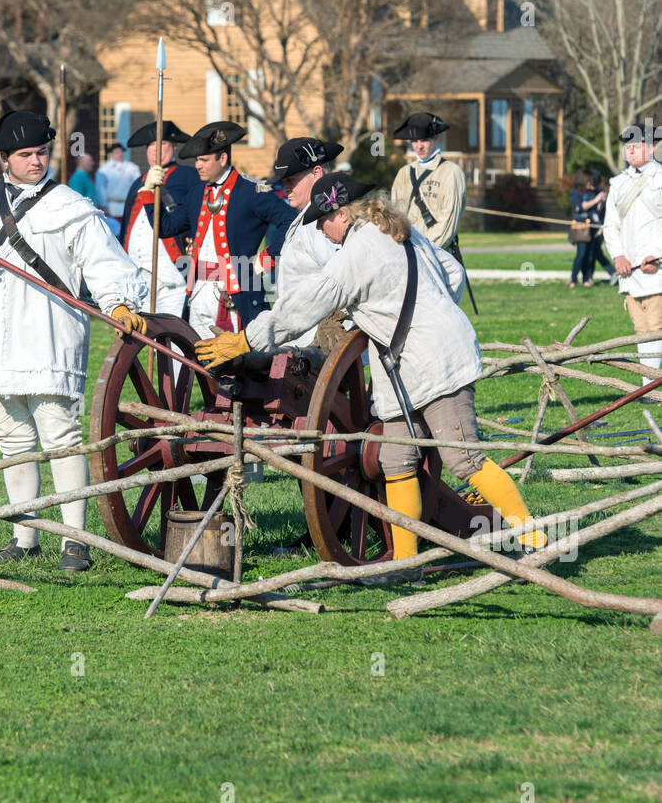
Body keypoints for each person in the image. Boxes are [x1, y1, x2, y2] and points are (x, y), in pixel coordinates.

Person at [195, 172, 547, 560]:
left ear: (341, 214)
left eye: (322, 221)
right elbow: (452, 272)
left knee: (463, 457)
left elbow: (308, 303)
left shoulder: (357, 252)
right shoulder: (395, 230)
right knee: (396, 460)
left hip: (435, 361)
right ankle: (405, 561)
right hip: (405, 368)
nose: (322, 230)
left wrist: (248, 339)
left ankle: (534, 540)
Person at [0, 109, 148, 571]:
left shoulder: (70, 205)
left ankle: (75, 540)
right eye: (26, 154)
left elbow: (106, 266)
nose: (37, 161)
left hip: (51, 335)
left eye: (42, 152)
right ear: (4, 159)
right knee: (11, 439)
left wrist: (117, 304)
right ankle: (24, 535)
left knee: (61, 438)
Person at [148, 120, 295, 339]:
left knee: (235, 366)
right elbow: (166, 227)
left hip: (237, 293)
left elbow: (290, 221)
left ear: (223, 158)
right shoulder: (197, 193)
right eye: (197, 160)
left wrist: (266, 259)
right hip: (198, 292)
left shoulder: (253, 190)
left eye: (204, 160)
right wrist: (150, 193)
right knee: (196, 362)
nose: (198, 165)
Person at [248, 136, 344, 349]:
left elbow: (342, 275)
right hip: (303, 337)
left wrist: (334, 319)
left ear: (317, 173)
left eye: (292, 180)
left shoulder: (322, 220)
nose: (285, 189)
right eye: (283, 182)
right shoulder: (308, 215)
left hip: (319, 340)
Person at [119, 120, 198, 316]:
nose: (156, 150)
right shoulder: (138, 182)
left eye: (162, 144)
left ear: (174, 147)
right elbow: (125, 229)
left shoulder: (188, 176)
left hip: (174, 277)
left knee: (174, 338)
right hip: (139, 278)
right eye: (152, 145)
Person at [603, 124, 662, 369]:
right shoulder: (618, 183)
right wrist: (617, 256)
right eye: (628, 147)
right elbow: (610, 225)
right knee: (641, 329)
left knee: (657, 327)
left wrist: (658, 256)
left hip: (657, 268)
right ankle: (647, 387)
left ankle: (649, 387)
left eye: (636, 146)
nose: (631, 151)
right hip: (630, 271)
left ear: (651, 148)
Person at [390, 111, 467, 250]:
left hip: (438, 252)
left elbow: (447, 223)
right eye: (414, 141)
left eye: (424, 140)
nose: (419, 146)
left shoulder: (451, 172)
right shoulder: (403, 173)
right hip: (408, 251)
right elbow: (396, 216)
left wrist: (423, 250)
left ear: (435, 137)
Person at [95, 142, 139, 226]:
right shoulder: (104, 169)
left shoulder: (132, 168)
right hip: (111, 208)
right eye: (117, 152)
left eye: (121, 151)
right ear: (112, 153)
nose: (120, 154)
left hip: (128, 206)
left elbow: (137, 185)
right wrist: (103, 205)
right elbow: (100, 189)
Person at [586, 168, 618, 284]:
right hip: (587, 227)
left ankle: (589, 277)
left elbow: (602, 211)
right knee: (593, 253)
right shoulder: (586, 193)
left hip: (599, 227)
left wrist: (602, 202)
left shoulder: (601, 192)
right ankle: (590, 277)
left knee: (594, 252)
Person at [569, 168, 596, 289]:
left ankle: (586, 278)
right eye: (588, 180)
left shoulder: (591, 193)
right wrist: (596, 200)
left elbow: (597, 209)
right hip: (581, 228)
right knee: (581, 254)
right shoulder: (575, 193)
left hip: (591, 227)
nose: (590, 183)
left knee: (589, 255)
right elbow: (579, 207)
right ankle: (573, 279)